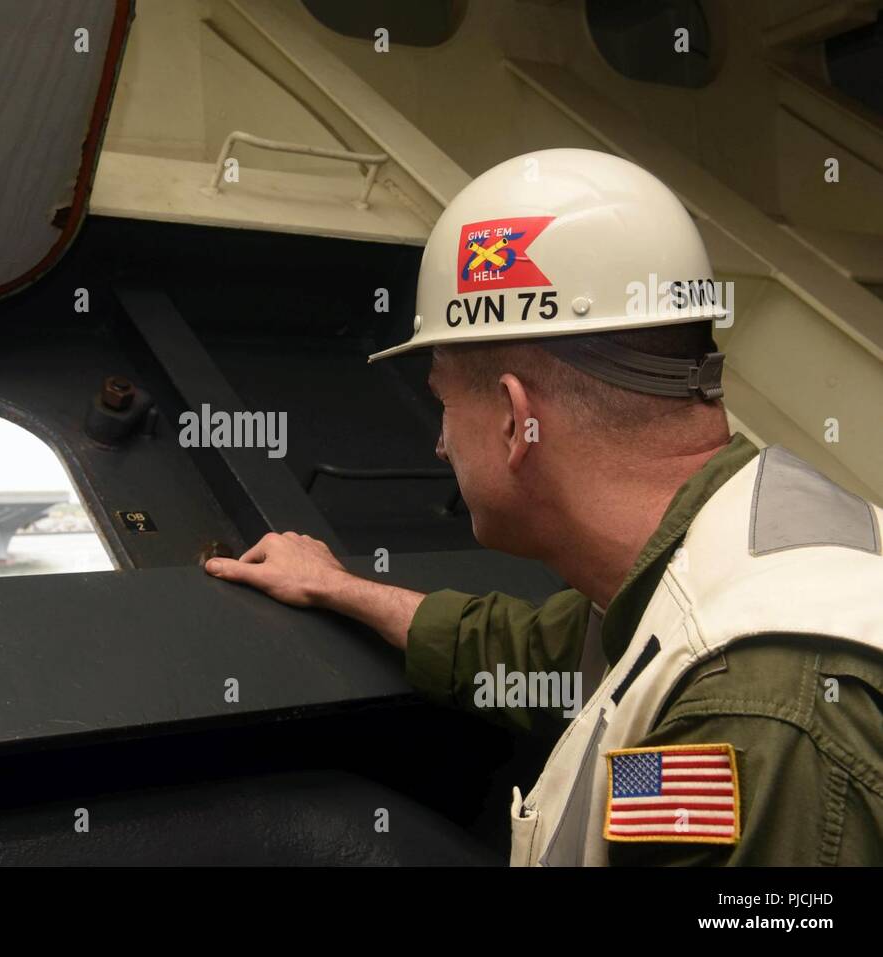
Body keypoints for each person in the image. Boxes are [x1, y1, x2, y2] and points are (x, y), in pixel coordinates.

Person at [204, 149, 883, 866]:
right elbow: (531, 651)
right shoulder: (739, 543)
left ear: (512, 418)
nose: (439, 444)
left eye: (443, 403)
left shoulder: (756, 720)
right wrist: (340, 587)